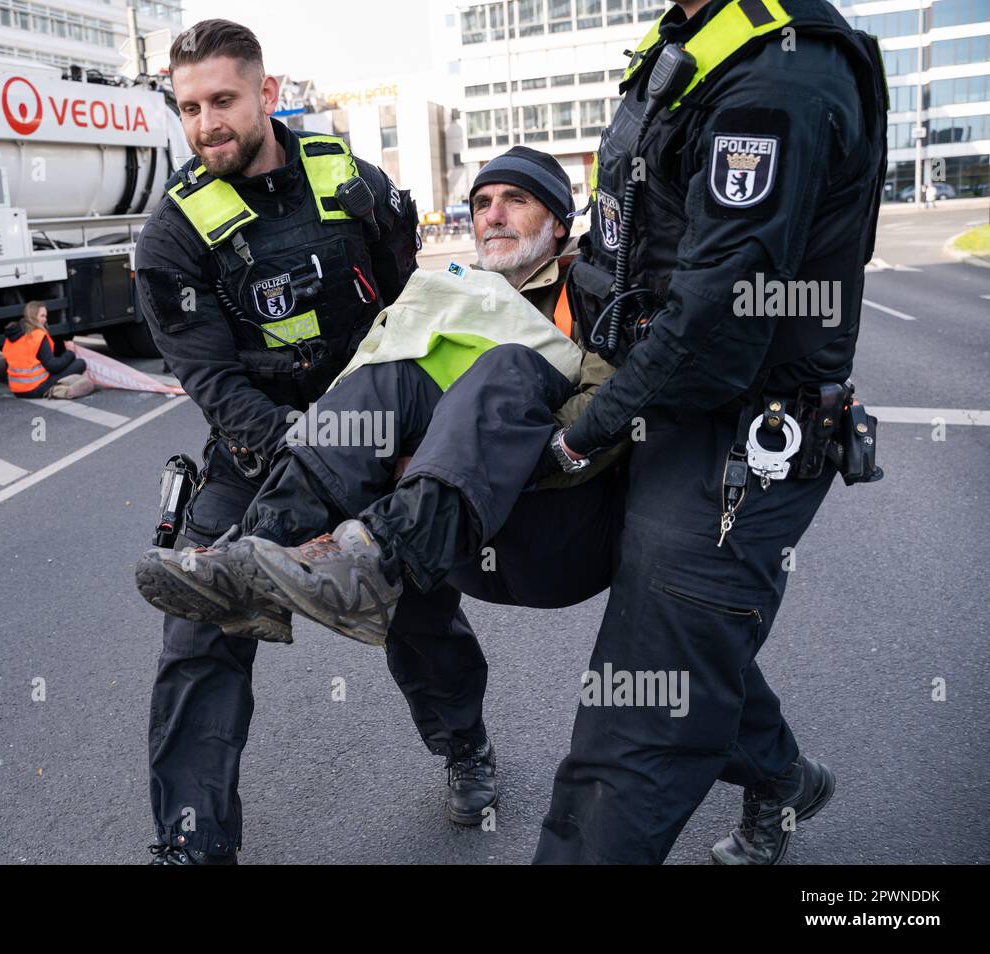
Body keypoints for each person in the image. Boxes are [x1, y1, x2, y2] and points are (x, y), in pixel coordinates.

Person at [137, 148, 629, 824]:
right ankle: (257, 557)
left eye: (516, 200)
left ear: (559, 222)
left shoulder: (592, 293)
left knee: (682, 660)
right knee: (385, 396)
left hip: (542, 520)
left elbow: (607, 415)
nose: (493, 215)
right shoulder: (448, 288)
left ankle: (461, 733)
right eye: (482, 203)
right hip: (405, 496)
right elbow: (237, 377)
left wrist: (473, 448)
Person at [532, 0, 888, 864]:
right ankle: (783, 777)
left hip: (734, 434)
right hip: (662, 410)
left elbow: (715, 328)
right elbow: (629, 247)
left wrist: (581, 436)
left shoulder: (781, 73)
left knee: (642, 711)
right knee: (682, 643)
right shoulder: (689, 40)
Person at [134, 19, 493, 865]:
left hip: (377, 437)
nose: (206, 125)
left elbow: (413, 318)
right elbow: (216, 386)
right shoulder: (172, 235)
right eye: (189, 108)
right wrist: (308, 459)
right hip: (254, 454)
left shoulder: (355, 184)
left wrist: (412, 440)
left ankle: (465, 748)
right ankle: (192, 841)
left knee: (421, 612)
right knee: (200, 631)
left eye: (222, 100)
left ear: (266, 93)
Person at [0, 301, 93, 399]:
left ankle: (60, 387)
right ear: (33, 317)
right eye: (42, 316)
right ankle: (58, 390)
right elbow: (53, 366)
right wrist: (70, 352)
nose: (45, 319)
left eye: (46, 316)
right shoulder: (37, 335)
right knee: (80, 363)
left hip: (17, 390)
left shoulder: (11, 337)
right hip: (34, 388)